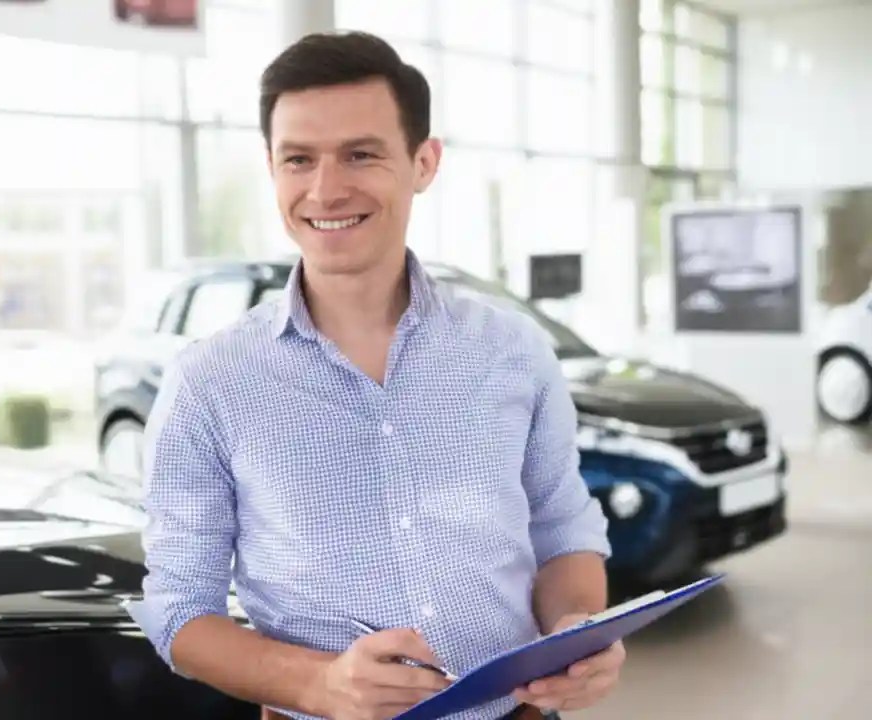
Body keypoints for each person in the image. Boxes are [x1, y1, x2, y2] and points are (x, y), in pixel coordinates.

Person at [127, 30, 624, 720]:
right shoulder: (210, 383)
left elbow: (562, 531)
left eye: (361, 154)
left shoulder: (514, 351)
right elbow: (180, 612)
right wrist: (317, 683)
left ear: (424, 162)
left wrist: (577, 630)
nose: (326, 190)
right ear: (271, 166)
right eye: (299, 160)